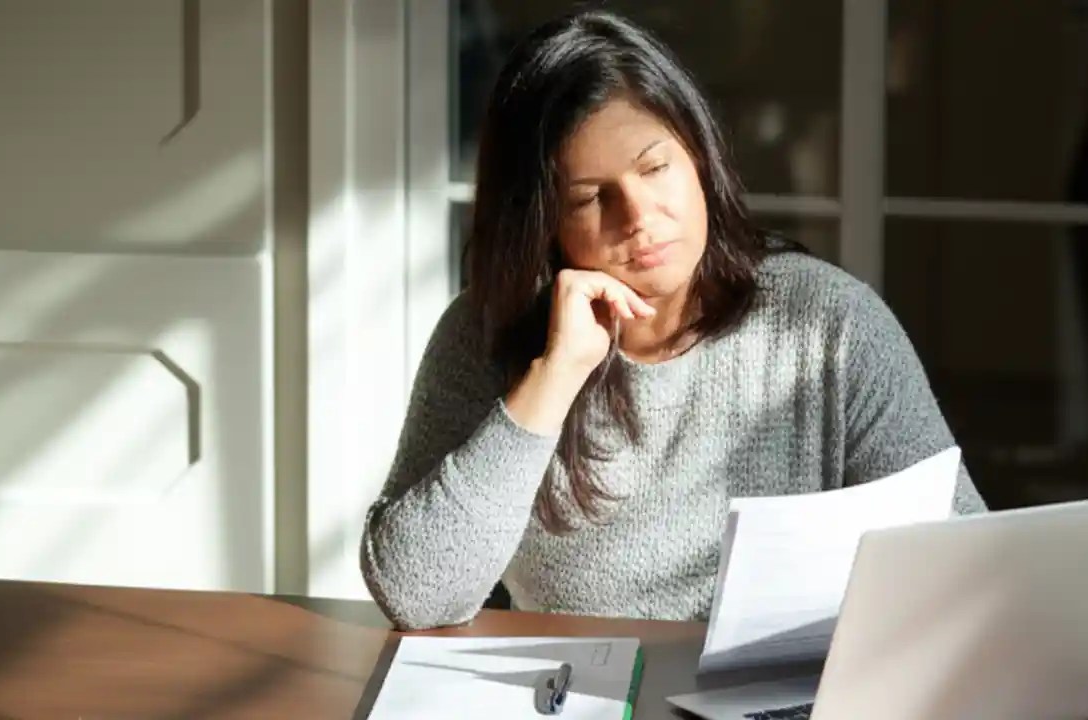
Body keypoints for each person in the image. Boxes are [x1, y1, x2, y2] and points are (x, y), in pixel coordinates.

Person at [360, 8, 987, 631]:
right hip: (577, 682)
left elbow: (967, 566)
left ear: (699, 157)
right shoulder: (485, 333)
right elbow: (417, 594)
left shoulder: (830, 325)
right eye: (590, 197)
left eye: (655, 168)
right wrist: (553, 377)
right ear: (541, 223)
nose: (637, 217)